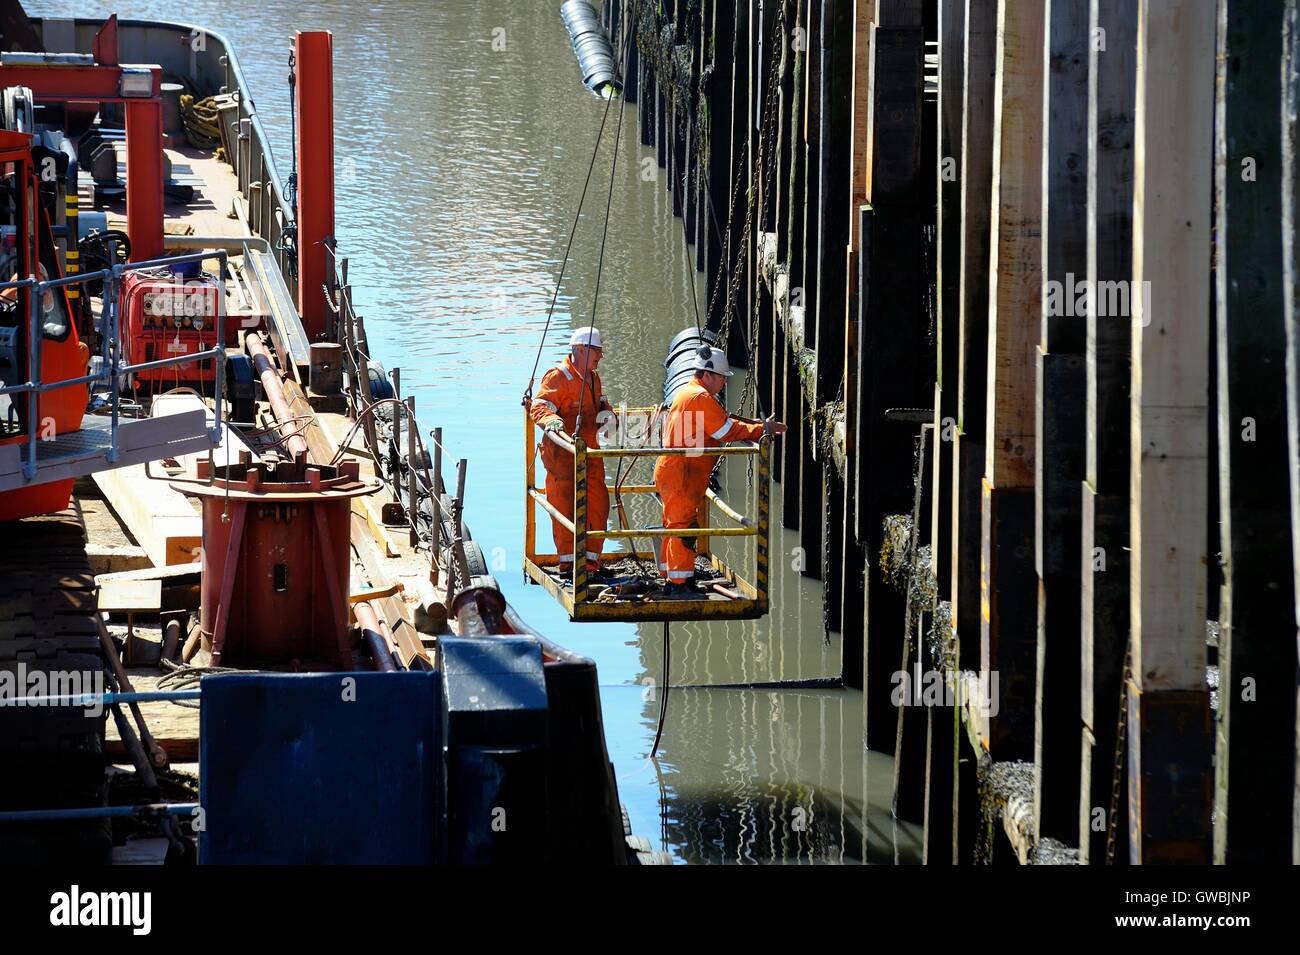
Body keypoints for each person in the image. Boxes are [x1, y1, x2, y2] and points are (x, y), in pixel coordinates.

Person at [654, 346, 787, 595]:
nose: (724, 382)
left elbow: (721, 424)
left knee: (676, 523)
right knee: (681, 526)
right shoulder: (700, 398)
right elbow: (724, 431)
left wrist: (753, 426)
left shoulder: (689, 393)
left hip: (677, 470)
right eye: (722, 377)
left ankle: (673, 575)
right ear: (706, 375)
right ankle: (679, 584)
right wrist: (761, 430)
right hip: (681, 472)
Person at [529, 326, 613, 578]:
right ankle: (568, 564)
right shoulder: (558, 377)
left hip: (590, 455)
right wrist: (551, 421)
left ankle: (590, 563)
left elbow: (598, 402)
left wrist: (608, 415)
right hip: (562, 459)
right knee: (564, 507)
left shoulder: (592, 377)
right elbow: (540, 406)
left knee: (598, 505)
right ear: (580, 349)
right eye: (597, 350)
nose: (600, 356)